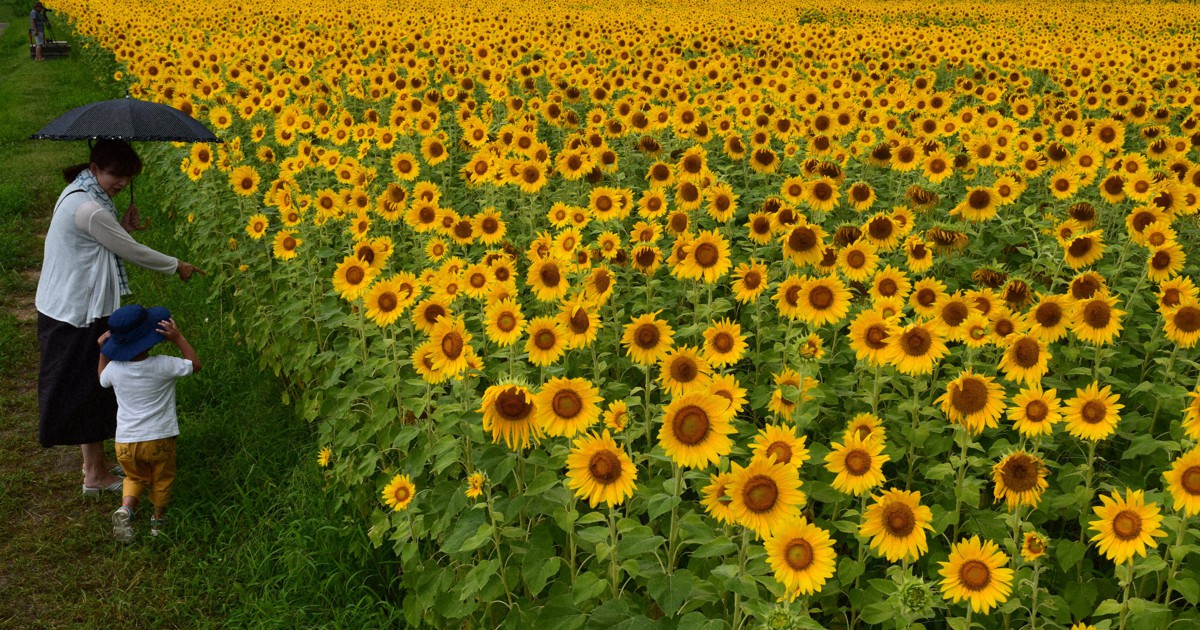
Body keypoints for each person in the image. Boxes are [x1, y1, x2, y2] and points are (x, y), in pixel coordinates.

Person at [35, 139, 203, 498]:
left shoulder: (82, 192)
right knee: (85, 391)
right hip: (76, 310)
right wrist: (178, 266)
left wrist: (121, 226)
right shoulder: (89, 208)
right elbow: (129, 251)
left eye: (127, 178)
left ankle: (92, 466)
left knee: (88, 389)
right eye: (116, 175)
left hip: (69, 305)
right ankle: (94, 475)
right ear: (95, 169)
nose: (122, 183)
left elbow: (103, 243)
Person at [97, 305, 201, 542]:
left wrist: (103, 352)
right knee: (161, 479)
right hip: (159, 439)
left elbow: (101, 379)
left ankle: (126, 510)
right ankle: (157, 523)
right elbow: (195, 365)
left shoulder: (114, 369)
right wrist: (179, 338)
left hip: (124, 442)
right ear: (151, 338)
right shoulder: (163, 364)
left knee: (134, 478)